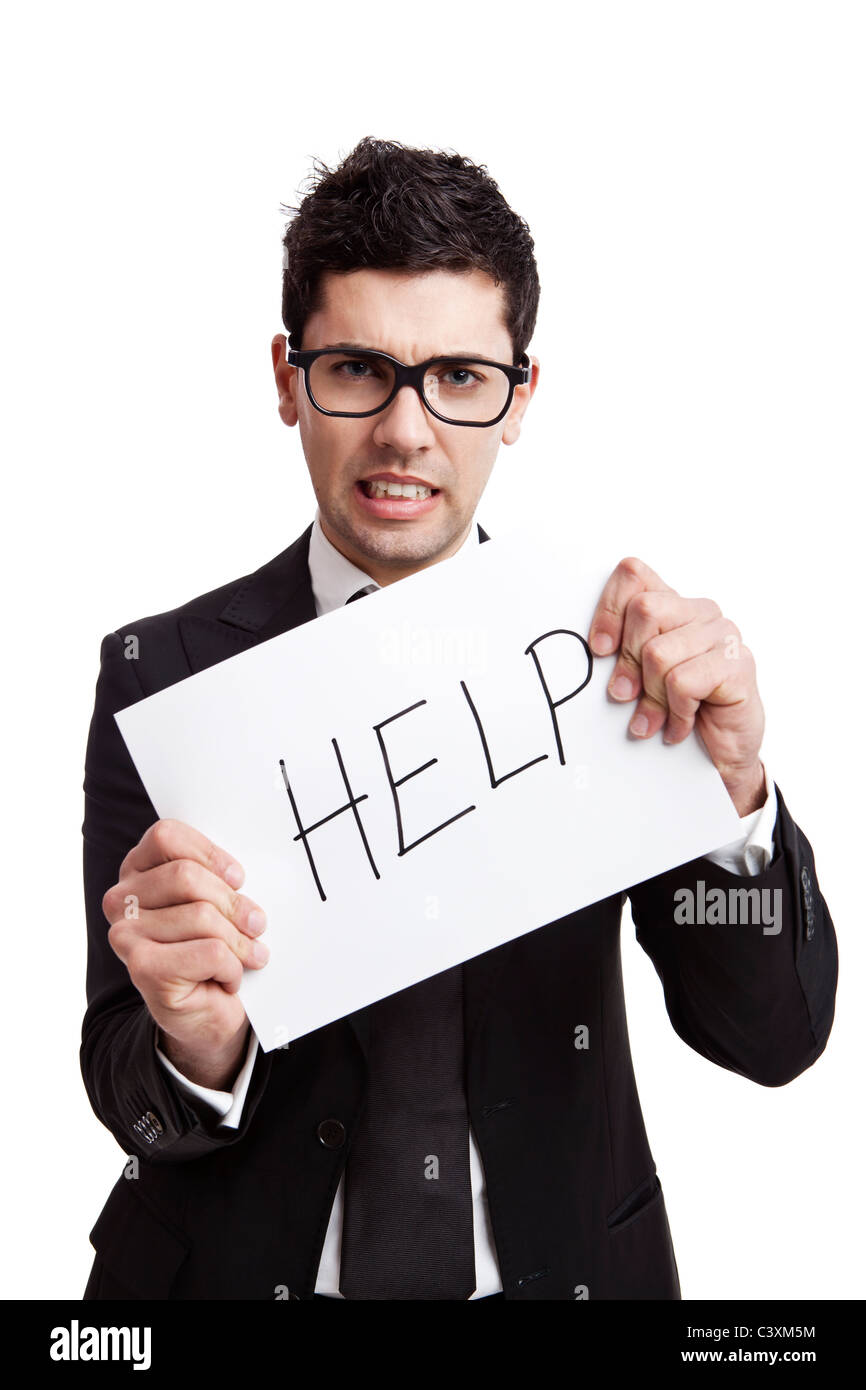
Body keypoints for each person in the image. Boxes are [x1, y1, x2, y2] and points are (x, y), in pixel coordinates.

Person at [80, 136, 837, 1301]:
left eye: (459, 377)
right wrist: (196, 1041)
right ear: (287, 379)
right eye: (356, 369)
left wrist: (731, 802)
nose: (404, 430)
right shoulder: (165, 674)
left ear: (518, 397)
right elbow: (117, 1072)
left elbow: (771, 1039)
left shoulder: (603, 656)